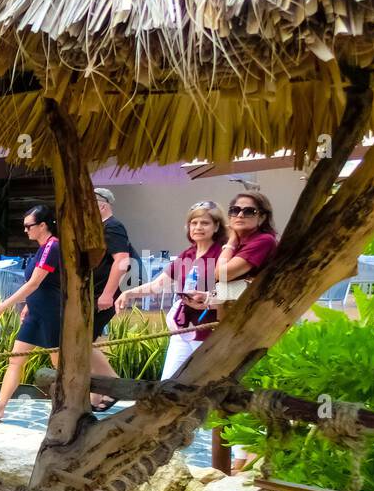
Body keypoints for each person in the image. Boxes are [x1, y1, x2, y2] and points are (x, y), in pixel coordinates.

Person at [116, 201, 227, 379]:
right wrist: (128, 293)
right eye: (194, 223)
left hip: (210, 332)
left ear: (217, 226)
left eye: (205, 223)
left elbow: (233, 295)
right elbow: (157, 285)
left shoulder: (222, 254)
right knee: (168, 384)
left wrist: (207, 301)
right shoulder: (187, 254)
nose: (198, 227)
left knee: (203, 385)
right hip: (182, 330)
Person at [0, 204, 60, 422]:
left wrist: (5, 305)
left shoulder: (53, 246)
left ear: (42, 225)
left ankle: (76, 404)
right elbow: (40, 285)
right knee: (15, 359)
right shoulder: (42, 248)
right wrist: (28, 306)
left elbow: (34, 283)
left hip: (51, 313)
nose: (25, 230)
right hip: (36, 312)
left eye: (28, 226)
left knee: (59, 364)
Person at [214, 189, 278, 472]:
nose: (239, 215)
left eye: (248, 211)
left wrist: (229, 240)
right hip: (238, 324)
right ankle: (240, 459)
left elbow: (223, 274)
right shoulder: (246, 242)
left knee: (248, 384)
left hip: (255, 325)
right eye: (235, 210)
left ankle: (248, 458)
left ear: (262, 216)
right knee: (234, 385)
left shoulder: (262, 240)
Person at [88, 187, 132, 408]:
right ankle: (96, 396)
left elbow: (122, 260)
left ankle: (114, 385)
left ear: (101, 205)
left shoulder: (113, 227)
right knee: (86, 342)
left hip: (105, 294)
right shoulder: (103, 228)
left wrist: (107, 293)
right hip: (96, 292)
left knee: (84, 342)